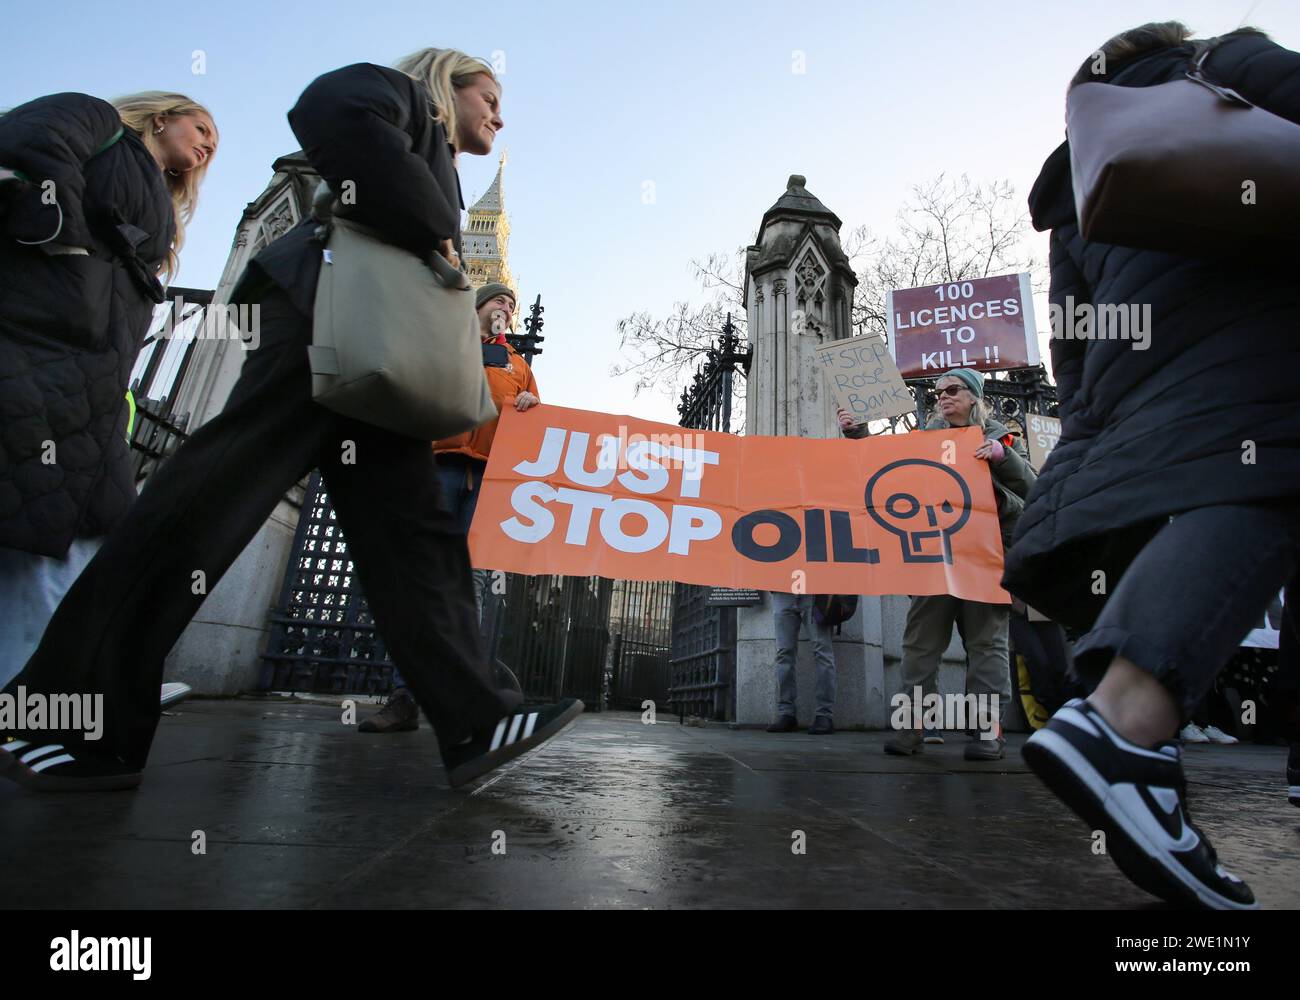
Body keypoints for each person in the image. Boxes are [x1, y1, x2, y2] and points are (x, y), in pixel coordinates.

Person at [0, 49, 581, 793]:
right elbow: (325, 106)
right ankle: (65, 721)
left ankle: (478, 719)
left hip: (373, 349)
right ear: (449, 82)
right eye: (489, 95)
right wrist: (436, 224)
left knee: (414, 534)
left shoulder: (433, 152)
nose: (499, 114)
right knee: (208, 503)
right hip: (322, 320)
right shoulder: (398, 96)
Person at [1004, 23, 1300, 909]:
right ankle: (1125, 725)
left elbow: (1073, 343)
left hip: (1150, 380)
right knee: (1273, 481)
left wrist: (1093, 437)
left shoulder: (1083, 172)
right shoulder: (1222, 66)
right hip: (1258, 334)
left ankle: (1131, 735)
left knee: (1246, 488)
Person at [0, 90, 217, 690]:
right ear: (161, 115)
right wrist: (66, 243)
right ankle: (45, 690)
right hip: (37, 352)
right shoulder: (96, 119)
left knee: (97, 529)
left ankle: (86, 680)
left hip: (94, 377)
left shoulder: (158, 198)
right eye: (199, 129)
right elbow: (28, 141)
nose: (205, 148)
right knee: (44, 529)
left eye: (213, 147)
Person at [359, 281, 537, 733]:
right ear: (478, 307)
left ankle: (461, 697)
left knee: (468, 585)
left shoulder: (517, 365)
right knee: (422, 578)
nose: (507, 307)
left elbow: (536, 423)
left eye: (512, 305)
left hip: (488, 481)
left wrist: (531, 403)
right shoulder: (445, 343)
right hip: (438, 467)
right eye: (500, 300)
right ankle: (405, 696)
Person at [840, 367, 1036, 760]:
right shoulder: (925, 440)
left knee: (986, 646)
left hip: (985, 559)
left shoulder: (1001, 438)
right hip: (934, 559)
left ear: (974, 397)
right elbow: (885, 468)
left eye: (952, 390)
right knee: (919, 646)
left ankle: (986, 732)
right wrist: (859, 434)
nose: (942, 397)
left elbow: (1033, 491)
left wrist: (1002, 459)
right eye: (937, 392)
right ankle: (912, 727)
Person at [764, 592, 837, 735]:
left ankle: (824, 714)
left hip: (815, 590)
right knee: (784, 653)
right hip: (783, 589)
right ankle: (787, 713)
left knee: (822, 652)